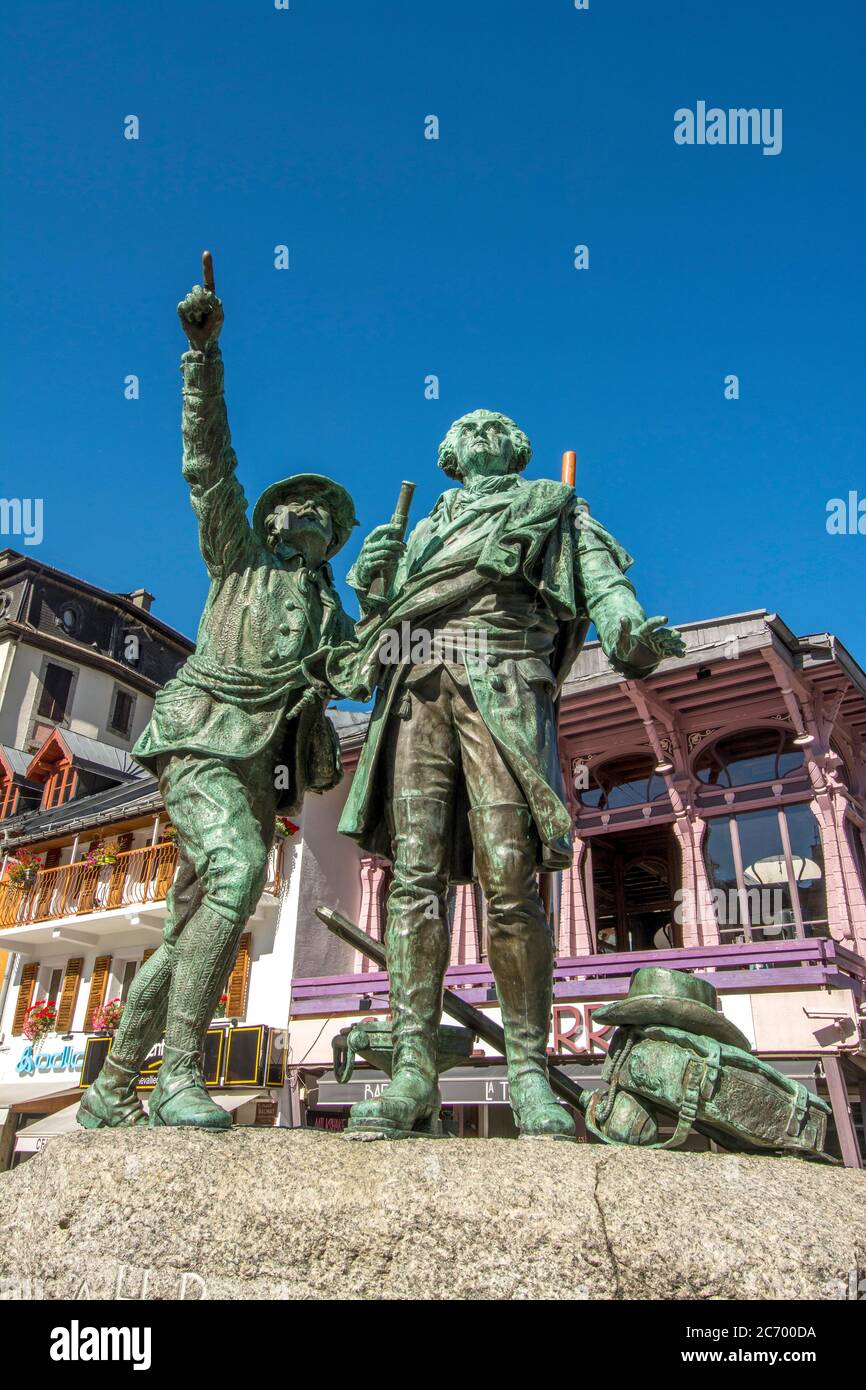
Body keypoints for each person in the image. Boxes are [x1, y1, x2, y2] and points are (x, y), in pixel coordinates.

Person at [332, 409, 686, 1139]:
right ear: (450, 455)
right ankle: (411, 1068)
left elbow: (600, 574)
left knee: (509, 872)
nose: (486, 432)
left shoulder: (548, 504)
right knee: (413, 875)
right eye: (471, 428)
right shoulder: (422, 528)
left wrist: (626, 626)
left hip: (504, 675)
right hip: (416, 687)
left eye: (498, 426)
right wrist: (374, 586)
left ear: (516, 449)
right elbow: (385, 616)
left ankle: (526, 1067)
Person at [79, 266, 362, 1130]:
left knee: (191, 924)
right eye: (291, 505)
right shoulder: (237, 559)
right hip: (203, 734)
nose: (300, 513)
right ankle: (175, 1079)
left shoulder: (334, 617)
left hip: (257, 768)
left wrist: (388, 604)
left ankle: (110, 1085)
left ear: (334, 541)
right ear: (270, 524)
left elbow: (362, 675)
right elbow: (210, 467)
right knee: (240, 877)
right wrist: (202, 356)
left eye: (320, 512)